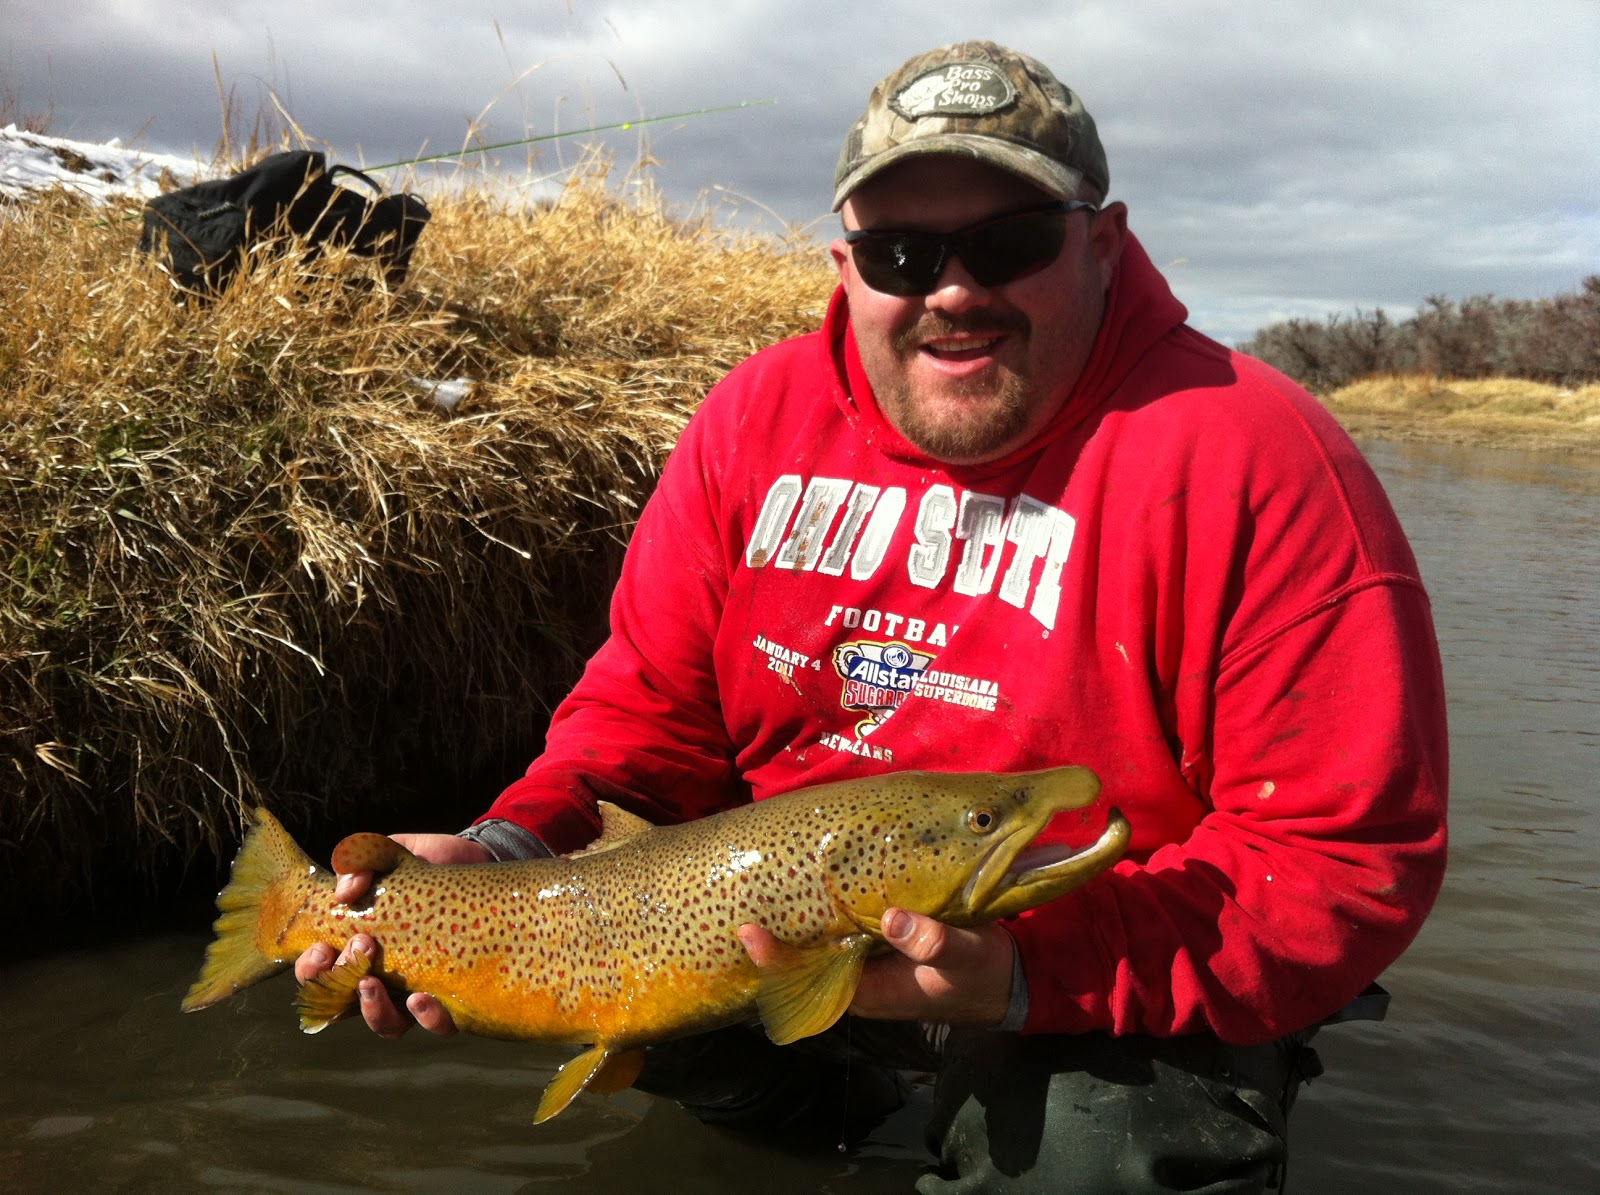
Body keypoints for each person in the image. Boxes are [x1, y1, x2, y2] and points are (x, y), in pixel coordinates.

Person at [296, 41, 1448, 1192]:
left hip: (1108, 952)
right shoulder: (755, 418)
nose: (952, 290)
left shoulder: (1257, 459)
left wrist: (1027, 973)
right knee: (690, 1068)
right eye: (901, 252)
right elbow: (644, 722)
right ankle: (844, 1120)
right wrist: (502, 852)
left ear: (1101, 244)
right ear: (847, 265)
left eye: (1009, 242)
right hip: (780, 923)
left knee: (1101, 1151)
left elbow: (1342, 860)